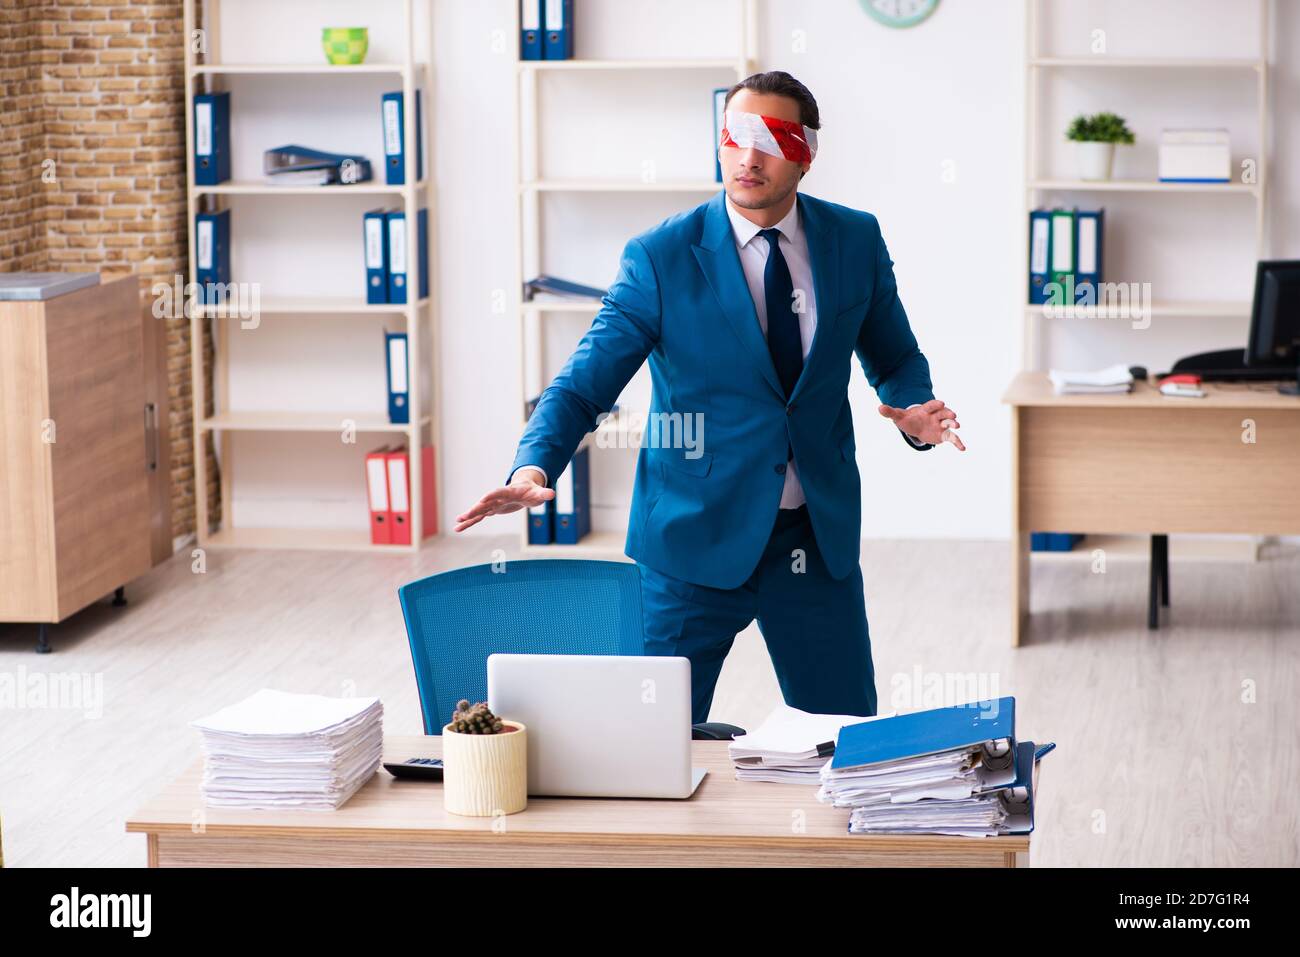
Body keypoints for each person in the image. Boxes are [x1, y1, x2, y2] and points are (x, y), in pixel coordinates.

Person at [456, 71, 964, 724]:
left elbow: (894, 358)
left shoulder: (855, 240)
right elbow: (582, 387)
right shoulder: (661, 257)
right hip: (690, 541)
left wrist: (914, 410)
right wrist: (533, 468)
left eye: (771, 140)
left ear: (806, 154)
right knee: (648, 739)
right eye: (735, 136)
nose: (748, 157)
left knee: (842, 744)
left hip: (812, 541)